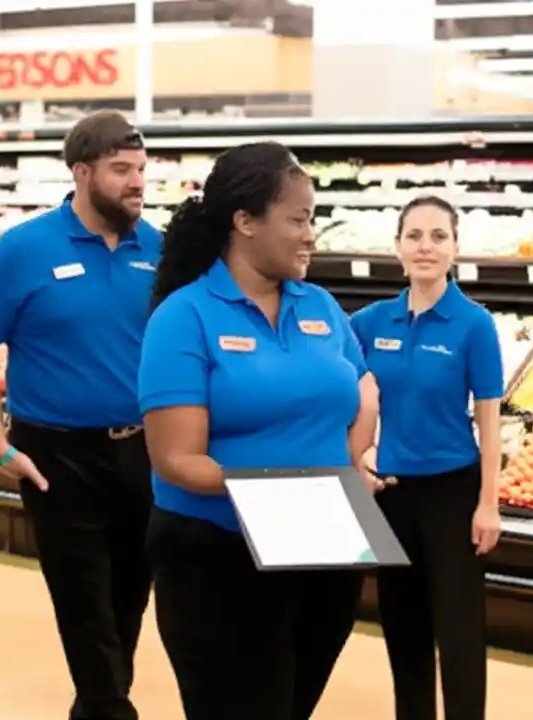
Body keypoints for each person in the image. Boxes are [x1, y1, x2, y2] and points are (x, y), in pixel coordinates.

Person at [138, 141, 378, 720]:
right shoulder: (184, 316)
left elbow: (362, 391)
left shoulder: (319, 305)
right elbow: (176, 459)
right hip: (217, 554)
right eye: (298, 219)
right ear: (244, 221)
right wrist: (288, 483)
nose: (310, 234)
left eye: (312, 219)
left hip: (323, 540)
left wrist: (348, 466)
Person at [0, 110, 161, 720]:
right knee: (83, 605)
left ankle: (97, 707)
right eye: (121, 170)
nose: (136, 183)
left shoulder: (157, 247)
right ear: (82, 172)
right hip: (55, 454)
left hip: (143, 451)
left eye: (142, 170)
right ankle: (108, 708)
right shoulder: (23, 249)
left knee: (127, 603)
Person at [347, 196, 503, 720]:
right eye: (414, 235)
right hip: (390, 494)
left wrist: (489, 504)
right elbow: (346, 398)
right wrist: (357, 461)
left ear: (455, 247)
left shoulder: (474, 324)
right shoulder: (370, 323)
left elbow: (488, 418)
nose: (426, 247)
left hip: (453, 493)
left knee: (459, 635)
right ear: (397, 247)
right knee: (403, 631)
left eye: (438, 236)